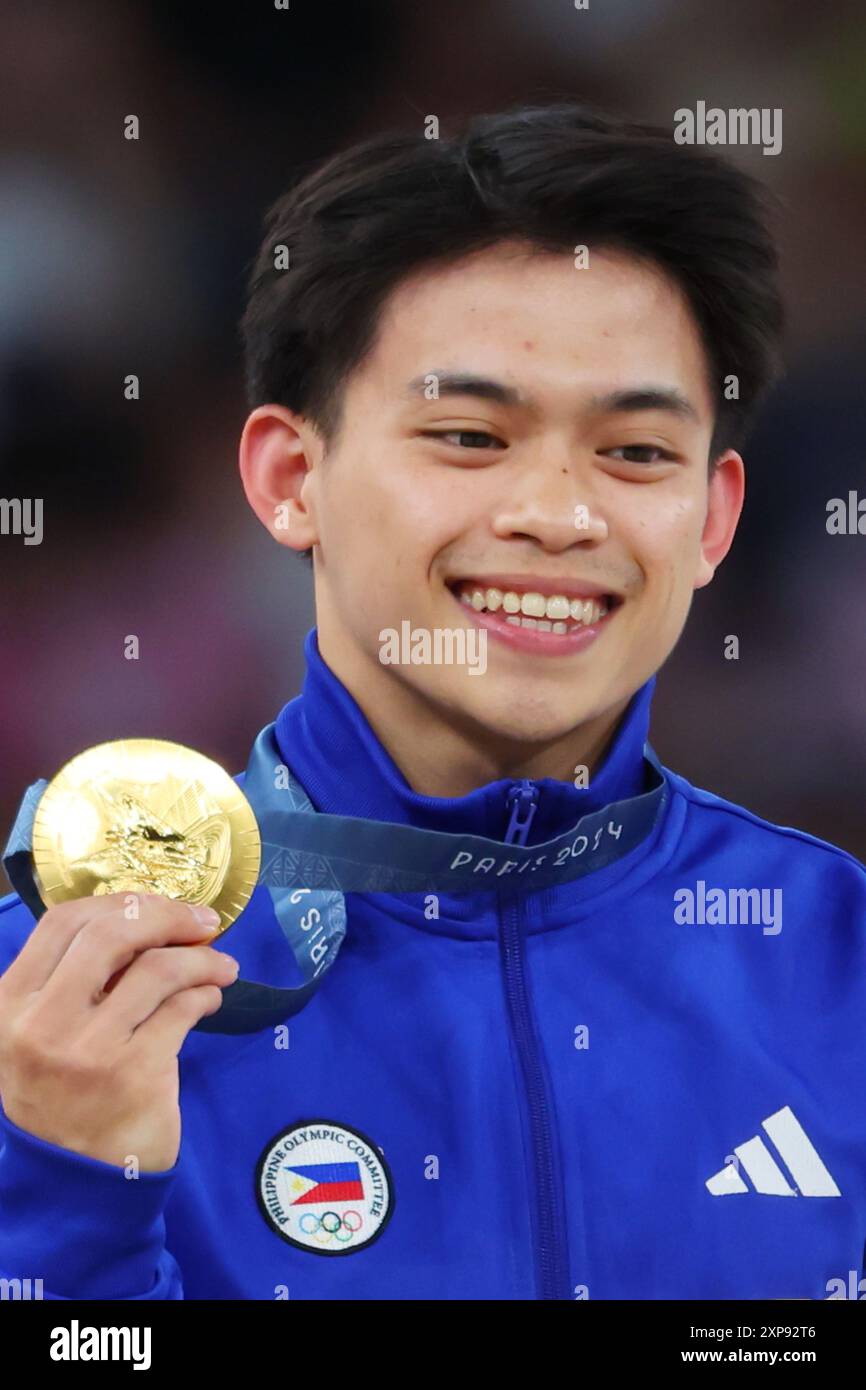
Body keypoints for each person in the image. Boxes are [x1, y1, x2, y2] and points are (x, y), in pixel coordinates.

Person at [1, 103, 863, 1302]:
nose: (557, 515)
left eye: (634, 454)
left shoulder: (835, 957)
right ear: (290, 479)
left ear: (711, 519)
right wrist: (63, 1195)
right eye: (468, 435)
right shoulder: (50, 987)